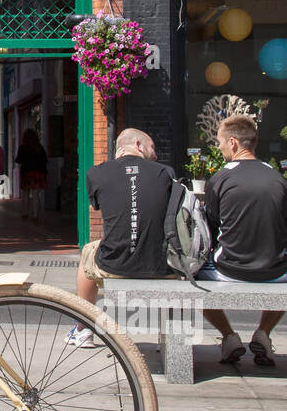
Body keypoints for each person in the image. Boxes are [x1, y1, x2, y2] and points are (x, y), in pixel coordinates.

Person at [71, 128, 175, 346]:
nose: (155, 154)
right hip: (160, 265)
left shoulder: (96, 173)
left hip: (113, 265)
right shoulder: (166, 172)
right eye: (152, 147)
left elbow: (99, 206)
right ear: (138, 145)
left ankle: (84, 328)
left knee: (88, 251)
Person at [198, 114, 287, 366]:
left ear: (234, 143)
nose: (219, 147)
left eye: (220, 142)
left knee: (190, 278)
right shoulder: (278, 178)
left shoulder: (220, 179)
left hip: (229, 270)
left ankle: (228, 337)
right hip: (276, 271)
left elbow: (210, 226)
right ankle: (263, 333)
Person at [15, 128, 49, 220]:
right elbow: (45, 160)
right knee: (35, 194)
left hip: (26, 173)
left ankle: (25, 212)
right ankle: (35, 214)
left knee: (25, 193)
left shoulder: (22, 147)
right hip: (38, 173)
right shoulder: (39, 147)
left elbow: (19, 160)